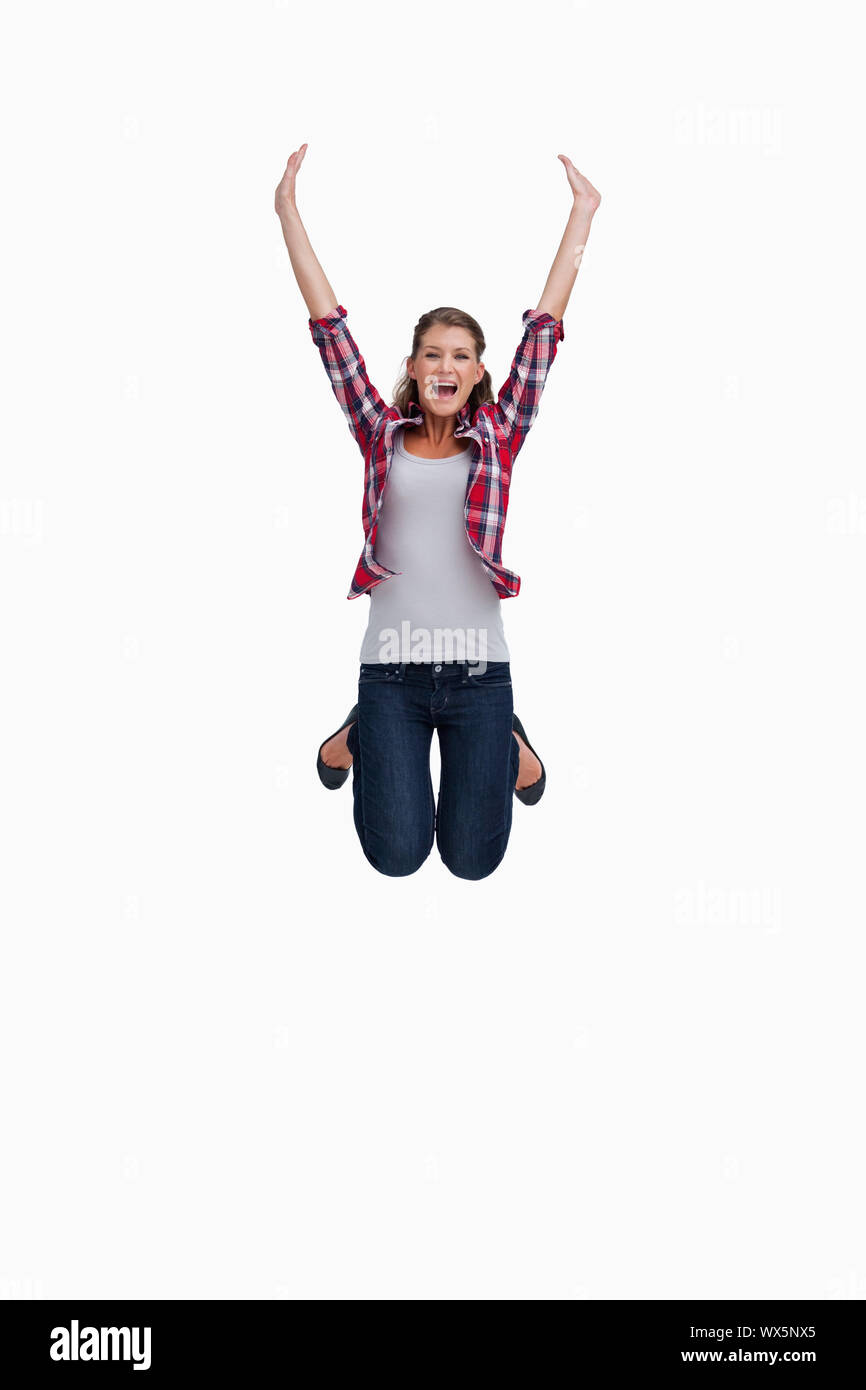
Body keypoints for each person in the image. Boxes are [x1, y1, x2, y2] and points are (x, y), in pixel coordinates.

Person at [275, 144, 600, 878]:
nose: (445, 366)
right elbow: (331, 331)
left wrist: (582, 215)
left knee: (471, 860)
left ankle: (507, 740)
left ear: (478, 371)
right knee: (396, 856)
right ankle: (359, 733)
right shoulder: (378, 434)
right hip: (389, 676)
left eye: (460, 355)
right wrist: (288, 211)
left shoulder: (499, 438)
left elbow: (544, 331)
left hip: (481, 675)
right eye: (431, 355)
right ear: (414, 371)